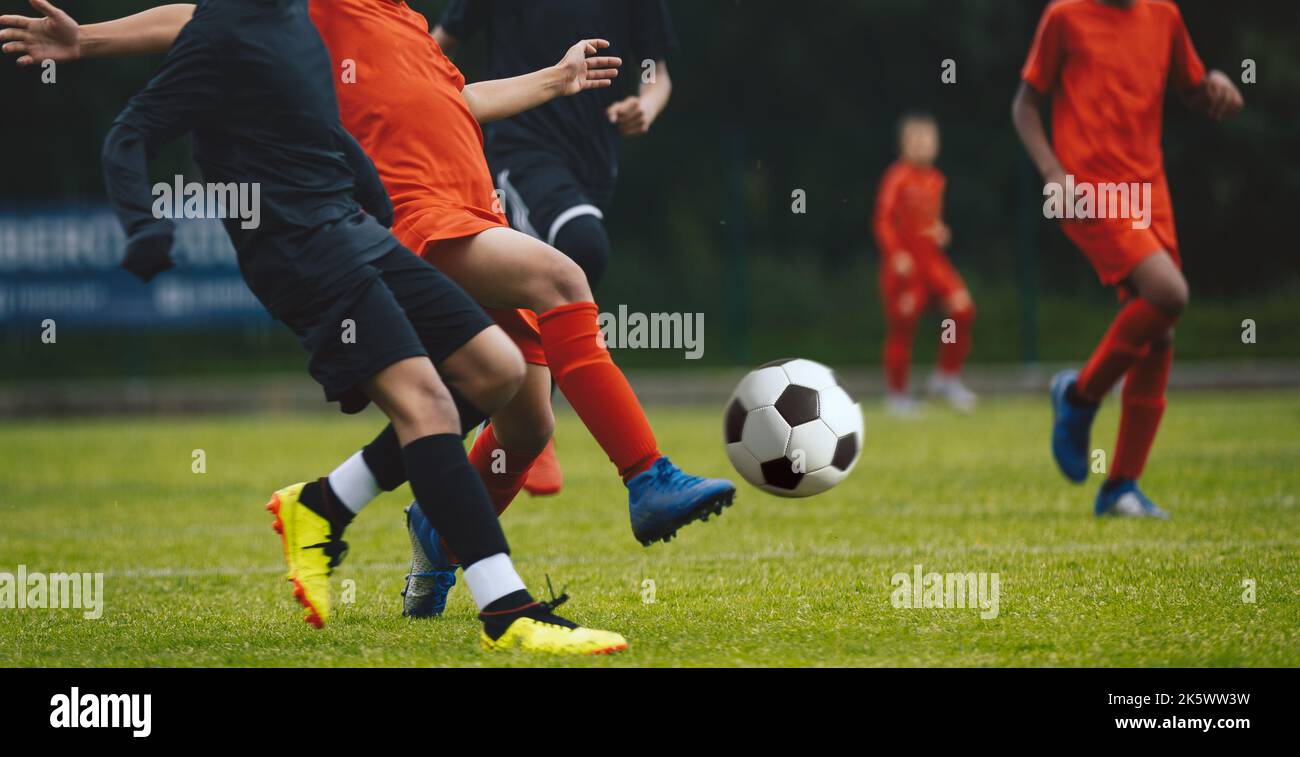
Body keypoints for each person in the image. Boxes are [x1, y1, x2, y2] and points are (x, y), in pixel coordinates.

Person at [1, 0, 736, 619]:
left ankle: (432, 537)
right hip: (412, 217)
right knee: (563, 277)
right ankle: (647, 477)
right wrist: (87, 40)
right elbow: (200, 18)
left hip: (474, 213)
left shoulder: (406, 23)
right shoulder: (325, 9)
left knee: (523, 416)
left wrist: (555, 79)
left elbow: (459, 103)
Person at [433, 0, 678, 495]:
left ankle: (519, 416)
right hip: (516, 150)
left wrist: (646, 106)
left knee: (563, 269)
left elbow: (656, 70)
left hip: (592, 167)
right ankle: (528, 410)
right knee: (580, 249)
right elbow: (435, 47)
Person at [1012, 0, 1243, 518]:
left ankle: (1120, 486)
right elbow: (1024, 105)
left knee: (1159, 330)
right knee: (1170, 293)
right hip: (1087, 188)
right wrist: (1052, 172)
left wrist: (1217, 84)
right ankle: (1081, 396)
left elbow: (1193, 88)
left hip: (1150, 191)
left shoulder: (1164, 15)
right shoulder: (1065, 16)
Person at [873, 113, 977, 416]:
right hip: (906, 267)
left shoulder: (936, 179)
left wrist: (938, 230)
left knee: (962, 309)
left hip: (933, 263)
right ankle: (897, 396)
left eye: (927, 140)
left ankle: (946, 376)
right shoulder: (897, 177)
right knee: (903, 326)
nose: (922, 145)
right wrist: (896, 254)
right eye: (915, 140)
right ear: (903, 145)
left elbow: (926, 220)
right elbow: (883, 220)